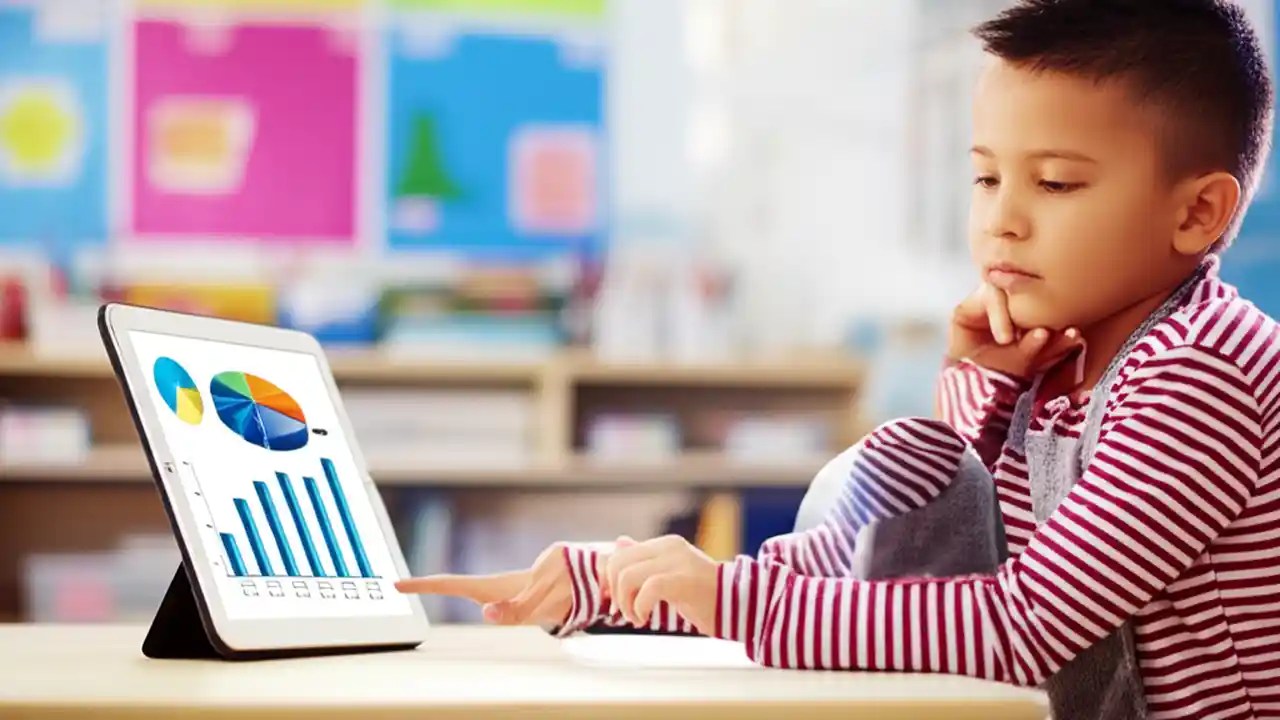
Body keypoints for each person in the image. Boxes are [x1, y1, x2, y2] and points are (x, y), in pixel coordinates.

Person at [398, 1, 1280, 717]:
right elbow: (920, 550)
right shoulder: (1065, 359)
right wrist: (608, 579)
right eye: (984, 177)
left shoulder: (1195, 369)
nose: (1002, 219)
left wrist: (733, 602)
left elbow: (1022, 624)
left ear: (1198, 213)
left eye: (1054, 182)